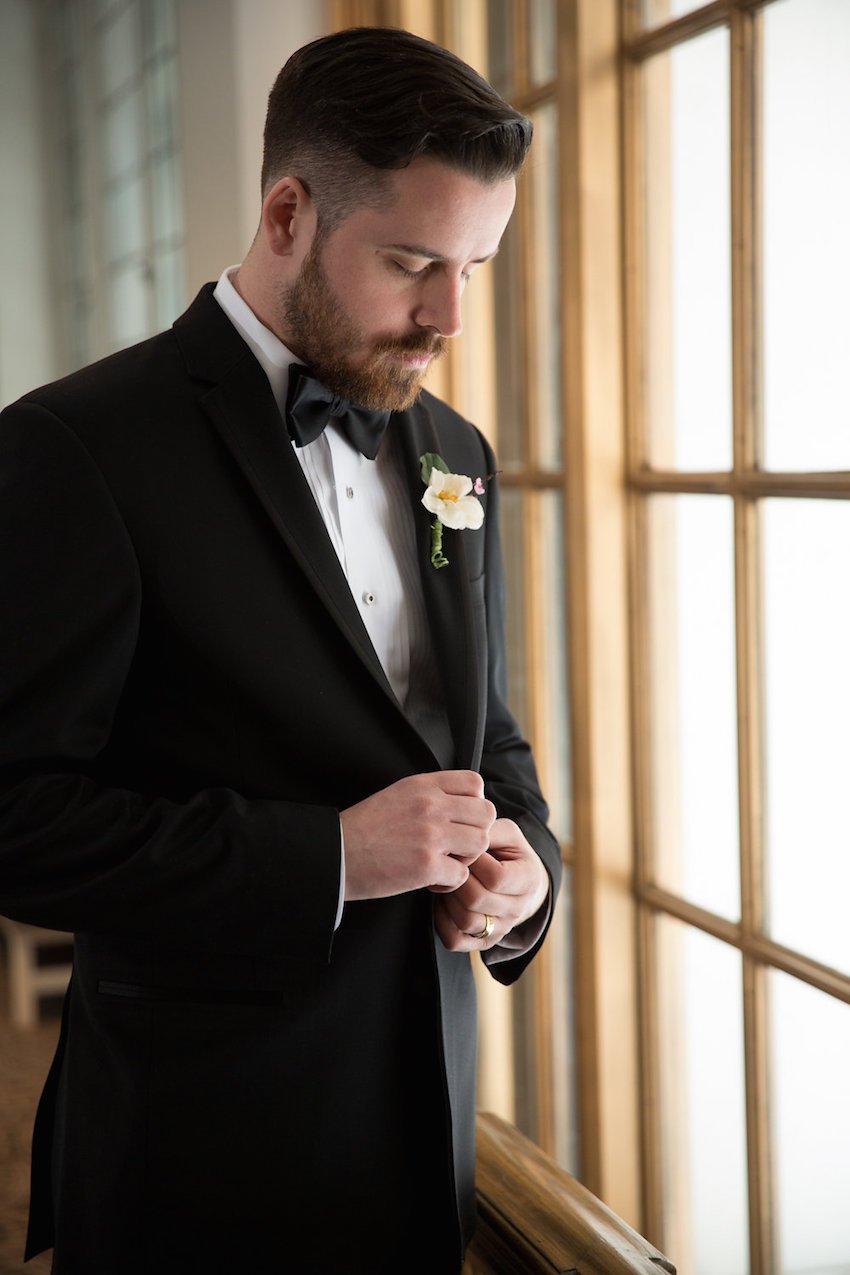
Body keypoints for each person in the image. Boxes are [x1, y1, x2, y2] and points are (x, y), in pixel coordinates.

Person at [0, 26, 561, 1275]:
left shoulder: (452, 453)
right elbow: (14, 817)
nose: (449, 315)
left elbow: (487, 739)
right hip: (195, 1155)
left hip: (426, 1142)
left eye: (476, 265)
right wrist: (327, 859)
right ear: (289, 211)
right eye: (414, 260)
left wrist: (527, 880)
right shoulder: (76, 448)